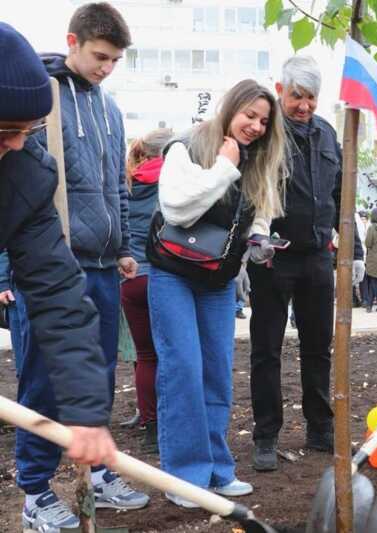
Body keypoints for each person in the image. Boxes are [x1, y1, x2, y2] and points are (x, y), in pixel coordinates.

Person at [14, 2, 150, 514]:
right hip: (52, 267)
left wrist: (124, 248)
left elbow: (117, 183)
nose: (106, 67)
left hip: (102, 267)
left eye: (115, 60)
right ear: (72, 42)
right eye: (100, 56)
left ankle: (92, 475)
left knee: (97, 375)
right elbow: (21, 192)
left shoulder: (110, 110)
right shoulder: (41, 100)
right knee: (45, 379)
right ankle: (35, 490)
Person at [0, 22, 120, 532]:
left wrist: (86, 411)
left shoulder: (24, 170)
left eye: (26, 131)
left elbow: (58, 294)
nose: (17, 144)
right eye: (5, 131)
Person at [145, 79, 287, 506]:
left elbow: (259, 212)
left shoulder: (259, 158)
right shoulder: (187, 145)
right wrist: (225, 166)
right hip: (173, 272)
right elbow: (176, 207)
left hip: (218, 280)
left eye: (264, 121)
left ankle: (218, 469)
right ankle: (185, 478)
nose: (257, 126)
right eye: (250, 115)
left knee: (218, 373)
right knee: (183, 369)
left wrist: (262, 240)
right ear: (231, 108)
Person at [248, 55, 364, 472]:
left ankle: (319, 427)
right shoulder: (266, 134)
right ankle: (265, 434)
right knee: (266, 350)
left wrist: (358, 251)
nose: (304, 106)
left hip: (317, 257)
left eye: (311, 98)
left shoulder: (328, 135)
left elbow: (339, 194)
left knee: (318, 347)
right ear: (280, 90)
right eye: (297, 96)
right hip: (272, 259)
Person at [121, 127, 172, 455]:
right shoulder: (172, 180)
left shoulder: (126, 181)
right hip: (164, 277)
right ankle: (171, 421)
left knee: (145, 357)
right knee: (172, 355)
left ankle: (150, 428)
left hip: (131, 278)